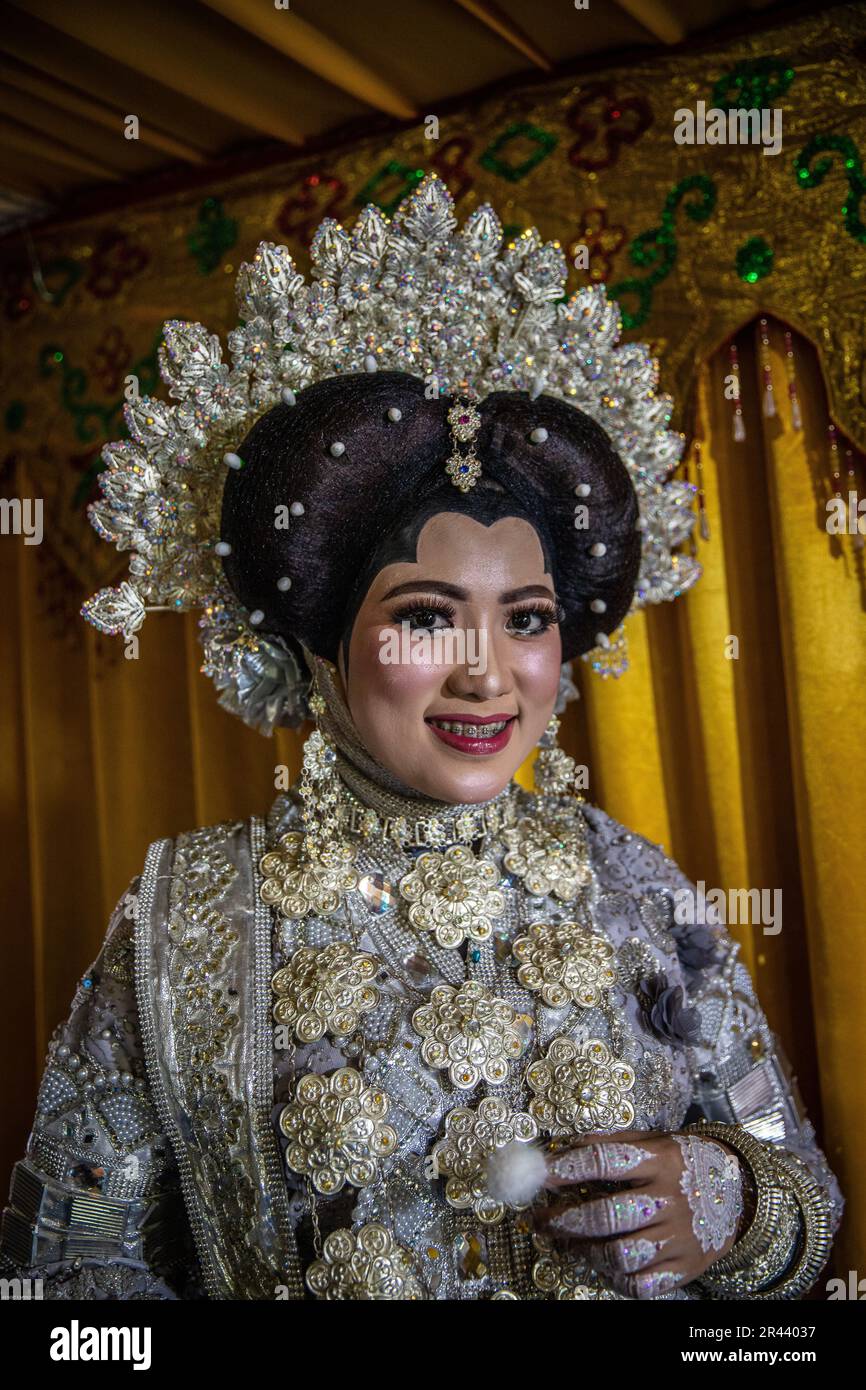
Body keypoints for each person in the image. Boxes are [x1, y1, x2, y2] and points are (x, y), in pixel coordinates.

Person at [0, 178, 841, 1300]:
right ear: (315, 644)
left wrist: (727, 1195)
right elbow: (63, 1289)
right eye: (424, 615)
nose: (488, 671)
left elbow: (804, 1203)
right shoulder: (185, 921)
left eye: (525, 618)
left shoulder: (635, 887)